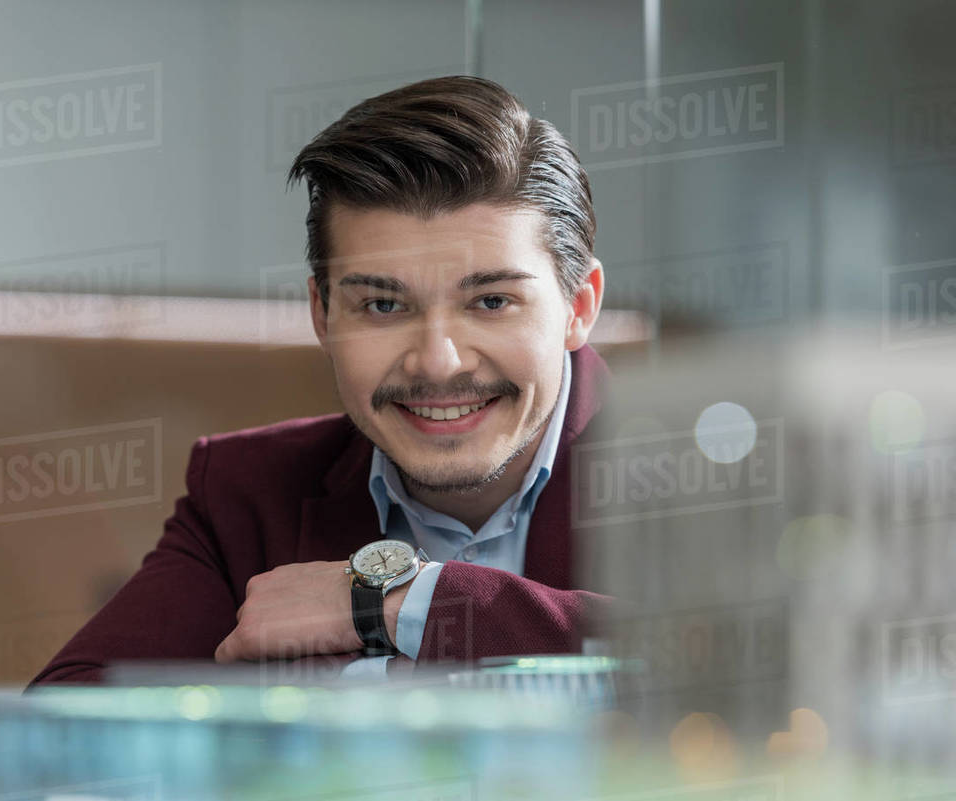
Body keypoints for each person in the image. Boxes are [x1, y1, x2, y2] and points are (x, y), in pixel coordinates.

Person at [31, 75, 608, 684]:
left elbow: (711, 667)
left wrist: (395, 603)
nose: (438, 362)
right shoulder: (245, 492)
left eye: (491, 302)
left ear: (579, 307)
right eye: (383, 306)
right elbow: (66, 715)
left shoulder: (694, 467)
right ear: (322, 315)